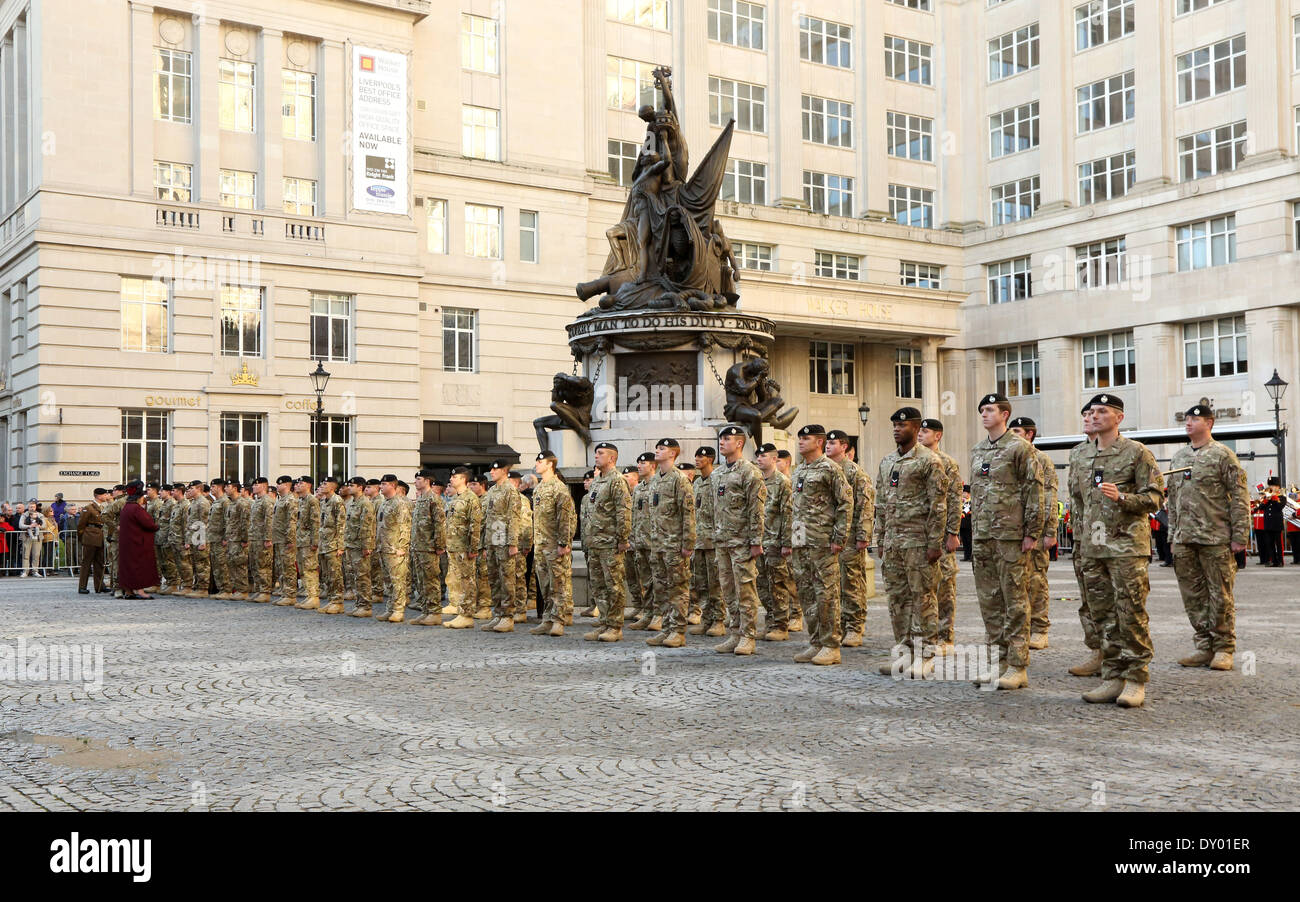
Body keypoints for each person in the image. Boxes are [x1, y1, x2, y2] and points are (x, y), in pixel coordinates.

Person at [1073, 393, 1164, 709]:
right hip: (1093, 549)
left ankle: (1136, 679)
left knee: (1130, 613)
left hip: (1126, 548)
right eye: (1092, 411)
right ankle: (1112, 677)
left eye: (1103, 411)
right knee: (1104, 617)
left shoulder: (1136, 453)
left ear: (1119, 417)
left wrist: (1123, 498)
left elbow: (1155, 498)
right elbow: (1078, 501)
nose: (1095, 416)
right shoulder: (1080, 456)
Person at [1167, 404, 1249, 672]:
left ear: (1209, 423)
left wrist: (1239, 535)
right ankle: (1203, 645)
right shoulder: (1178, 458)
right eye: (1186, 418)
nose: (1188, 422)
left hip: (1216, 537)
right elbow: (1173, 499)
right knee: (1192, 595)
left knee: (1220, 594)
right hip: (1184, 538)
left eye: (1195, 418)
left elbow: (1239, 496)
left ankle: (1224, 647)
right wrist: (1172, 534)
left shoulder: (1223, 455)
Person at [968, 393, 1042, 691]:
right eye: (982, 410)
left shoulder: (1020, 449)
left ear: (1005, 414)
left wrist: (1032, 532)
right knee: (990, 602)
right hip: (983, 535)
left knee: (1015, 601)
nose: (984, 414)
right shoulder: (977, 450)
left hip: (1011, 536)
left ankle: (1017, 664)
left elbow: (1034, 491)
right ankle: (998, 661)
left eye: (990, 410)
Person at [874, 408, 945, 678]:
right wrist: (880, 539)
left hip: (918, 541)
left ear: (915, 429)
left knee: (923, 598)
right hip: (893, 542)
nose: (896, 429)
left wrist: (935, 542)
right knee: (897, 600)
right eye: (894, 424)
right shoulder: (888, 461)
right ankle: (904, 652)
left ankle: (926, 655)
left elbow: (937, 504)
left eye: (902, 425)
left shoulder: (929, 461)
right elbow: (881, 503)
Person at [785, 425, 852, 666]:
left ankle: (831, 645)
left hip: (823, 541)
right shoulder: (799, 470)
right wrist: (791, 540)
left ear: (820, 442)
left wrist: (839, 537)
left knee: (826, 593)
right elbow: (794, 508)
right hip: (801, 541)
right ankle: (815, 642)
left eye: (806, 438)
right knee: (806, 593)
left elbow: (845, 502)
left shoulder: (830, 468)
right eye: (800, 438)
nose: (801, 442)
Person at [710, 424, 767, 656]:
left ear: (739, 443)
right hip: (723, 540)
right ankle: (734, 632)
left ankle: (748, 636)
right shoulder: (717, 474)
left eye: (727, 439)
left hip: (742, 541)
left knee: (745, 589)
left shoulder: (749, 472)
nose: (722, 442)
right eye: (721, 439)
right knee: (728, 589)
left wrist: (756, 540)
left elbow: (756, 509)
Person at [1008, 416, 1060, 650]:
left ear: (1029, 434)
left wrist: (1049, 531)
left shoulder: (1041, 459)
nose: (1013, 434)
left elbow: (1048, 496)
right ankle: (1022, 628)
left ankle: (1040, 628)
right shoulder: (1009, 457)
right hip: (1013, 529)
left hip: (1036, 530)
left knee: (1036, 579)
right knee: (1016, 582)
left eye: (1017, 430)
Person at [644, 438, 695, 648]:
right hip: (657, 544)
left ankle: (678, 631)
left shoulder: (679, 480)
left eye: (662, 448)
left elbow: (688, 514)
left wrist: (688, 543)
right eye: (657, 448)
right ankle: (666, 628)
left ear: (673, 454)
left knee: (678, 589)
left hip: (674, 545)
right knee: (661, 588)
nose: (657, 451)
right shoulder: (656, 480)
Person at [1066, 403, 1105, 677]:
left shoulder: (1124, 452)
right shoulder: (1078, 452)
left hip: (1110, 539)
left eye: (1093, 415)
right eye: (1085, 415)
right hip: (1082, 537)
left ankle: (1117, 655)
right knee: (1087, 597)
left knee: (1113, 599)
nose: (1088, 419)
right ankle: (1097, 651)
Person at [826, 430, 873, 648]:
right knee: (833, 585)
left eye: (833, 443)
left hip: (851, 536)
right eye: (827, 442)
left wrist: (863, 536)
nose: (828, 445)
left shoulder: (855, 473)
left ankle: (855, 626)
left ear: (844, 446)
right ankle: (840, 625)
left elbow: (865, 505)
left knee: (852, 582)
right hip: (830, 535)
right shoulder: (825, 470)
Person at [584, 443, 632, 642]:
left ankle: (615, 626)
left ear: (612, 458)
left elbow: (624, 511)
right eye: (596, 452)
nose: (596, 456)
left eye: (601, 453)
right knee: (599, 586)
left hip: (610, 543)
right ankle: (604, 621)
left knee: (614, 585)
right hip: (595, 543)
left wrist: (623, 538)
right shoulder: (597, 482)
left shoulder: (617, 481)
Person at [529, 451, 576, 636]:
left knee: (558, 583)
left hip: (555, 544)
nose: (537, 464)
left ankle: (559, 620)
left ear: (550, 464)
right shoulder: (539, 488)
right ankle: (547, 618)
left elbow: (565, 517)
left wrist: (564, 542)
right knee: (545, 584)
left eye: (540, 461)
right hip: (541, 544)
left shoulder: (559, 488)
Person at [755, 442, 798, 641]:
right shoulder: (756, 481)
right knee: (762, 584)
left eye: (763, 456)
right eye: (758, 456)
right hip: (759, 541)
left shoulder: (783, 482)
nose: (759, 459)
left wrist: (787, 542)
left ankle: (781, 624)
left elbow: (789, 513)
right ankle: (771, 621)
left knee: (778, 584)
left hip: (775, 541)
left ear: (774, 459)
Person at [481, 460, 521, 632]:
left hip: (503, 539)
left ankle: (508, 616)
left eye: (495, 469)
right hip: (492, 539)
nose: (491, 471)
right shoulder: (492, 490)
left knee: (507, 579)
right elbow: (486, 518)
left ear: (504, 471)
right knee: (494, 578)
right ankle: (498, 614)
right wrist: (483, 543)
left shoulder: (510, 490)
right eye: (490, 469)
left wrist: (512, 543)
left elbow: (514, 517)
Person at [443, 467, 484, 628]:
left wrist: (473, 548)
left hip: (464, 547)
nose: (452, 479)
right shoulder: (455, 498)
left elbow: (475, 525)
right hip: (453, 546)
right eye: (452, 477)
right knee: (457, 580)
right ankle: (460, 611)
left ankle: (467, 614)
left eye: (455, 477)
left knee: (467, 581)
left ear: (463, 479)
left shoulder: (470, 498)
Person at [689, 446, 722, 632]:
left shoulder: (716, 480)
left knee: (715, 583)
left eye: (701, 456)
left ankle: (718, 620)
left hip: (713, 541)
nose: (696, 458)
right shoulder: (697, 483)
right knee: (700, 583)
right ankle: (706, 619)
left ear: (710, 459)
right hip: (699, 540)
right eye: (696, 455)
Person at [409, 470, 448, 626]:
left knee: (431, 580)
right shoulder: (421, 499)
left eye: (418, 479)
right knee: (421, 580)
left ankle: (434, 612)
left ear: (427, 481)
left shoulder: (433, 499)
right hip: (418, 546)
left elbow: (439, 524)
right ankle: (426, 610)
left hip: (429, 547)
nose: (416, 482)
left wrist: (439, 545)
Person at [375, 475, 413, 622]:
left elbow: (405, 525)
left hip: (395, 549)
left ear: (392, 486)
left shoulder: (399, 503)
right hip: (384, 547)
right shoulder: (385, 503)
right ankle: (390, 608)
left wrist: (402, 547)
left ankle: (398, 610)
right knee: (389, 582)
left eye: (384, 484)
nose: (381, 487)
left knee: (398, 581)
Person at [627, 453, 657, 629]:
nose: (639, 465)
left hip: (655, 542)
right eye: (638, 462)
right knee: (645, 581)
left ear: (653, 466)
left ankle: (659, 615)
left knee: (658, 581)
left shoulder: (658, 485)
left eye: (643, 463)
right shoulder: (638, 489)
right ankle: (648, 613)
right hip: (640, 542)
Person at [117, 481, 160, 599]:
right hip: (137, 543)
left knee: (128, 566)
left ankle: (129, 591)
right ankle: (140, 591)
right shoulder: (136, 509)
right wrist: (157, 526)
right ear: (139, 498)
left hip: (128, 542)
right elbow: (149, 524)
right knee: (138, 567)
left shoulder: (126, 507)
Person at [293, 476, 322, 609]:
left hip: (308, 541)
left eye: (301, 483)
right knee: (303, 569)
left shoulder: (312, 500)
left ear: (308, 485)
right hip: (300, 540)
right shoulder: (301, 501)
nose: (297, 485)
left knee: (310, 568)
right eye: (297, 483)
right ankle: (309, 595)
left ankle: (314, 597)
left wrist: (315, 541)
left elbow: (315, 522)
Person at [271, 476, 299, 605]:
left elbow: (292, 521)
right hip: (279, 538)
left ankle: (290, 594)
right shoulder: (280, 500)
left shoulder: (291, 500)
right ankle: (284, 592)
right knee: (281, 566)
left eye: (279, 484)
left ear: (286, 485)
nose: (277, 486)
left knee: (288, 567)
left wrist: (290, 539)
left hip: (286, 539)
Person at [76, 488, 109, 594]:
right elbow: (81, 525)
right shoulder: (88, 508)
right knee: (86, 563)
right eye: (105, 494)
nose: (106, 496)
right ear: (98, 496)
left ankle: (99, 586)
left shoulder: (103, 507)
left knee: (100, 563)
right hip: (90, 537)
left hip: (100, 536)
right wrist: (83, 537)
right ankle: (82, 586)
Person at [1260, 480, 1286, 567]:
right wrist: (1266, 500)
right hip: (1268, 523)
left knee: (1278, 544)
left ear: (1278, 487)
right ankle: (1274, 561)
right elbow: (1261, 508)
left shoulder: (1282, 497)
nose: (1271, 487)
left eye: (1273, 486)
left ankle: (1280, 561)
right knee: (1270, 544)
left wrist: (1274, 498)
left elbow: (1279, 507)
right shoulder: (1267, 498)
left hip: (1276, 524)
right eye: (1270, 485)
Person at [19, 502, 45, 578]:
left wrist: (37, 525)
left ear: (35, 507)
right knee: (26, 554)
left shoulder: (40, 515)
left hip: (37, 538)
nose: (32, 508)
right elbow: (20, 525)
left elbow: (44, 525)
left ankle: (35, 571)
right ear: (28, 507)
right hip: (27, 537)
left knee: (36, 555)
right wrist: (29, 526)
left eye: (33, 507)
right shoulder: (24, 515)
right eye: (30, 507)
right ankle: (25, 571)